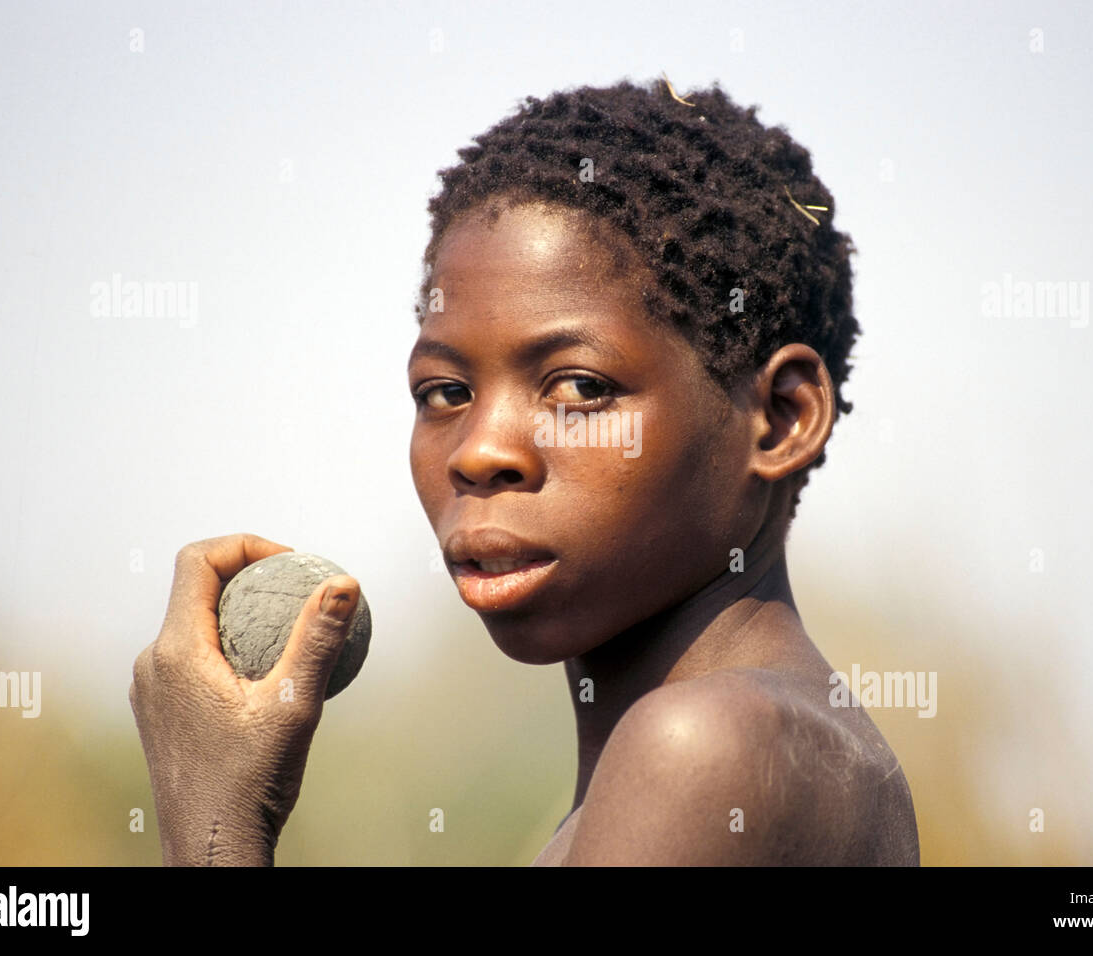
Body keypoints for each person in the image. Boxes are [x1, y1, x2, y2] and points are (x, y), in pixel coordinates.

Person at [130, 77, 919, 866]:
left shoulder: (707, 748)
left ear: (781, 418)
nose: (479, 452)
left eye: (579, 387)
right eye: (446, 393)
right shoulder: (770, 746)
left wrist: (213, 826)